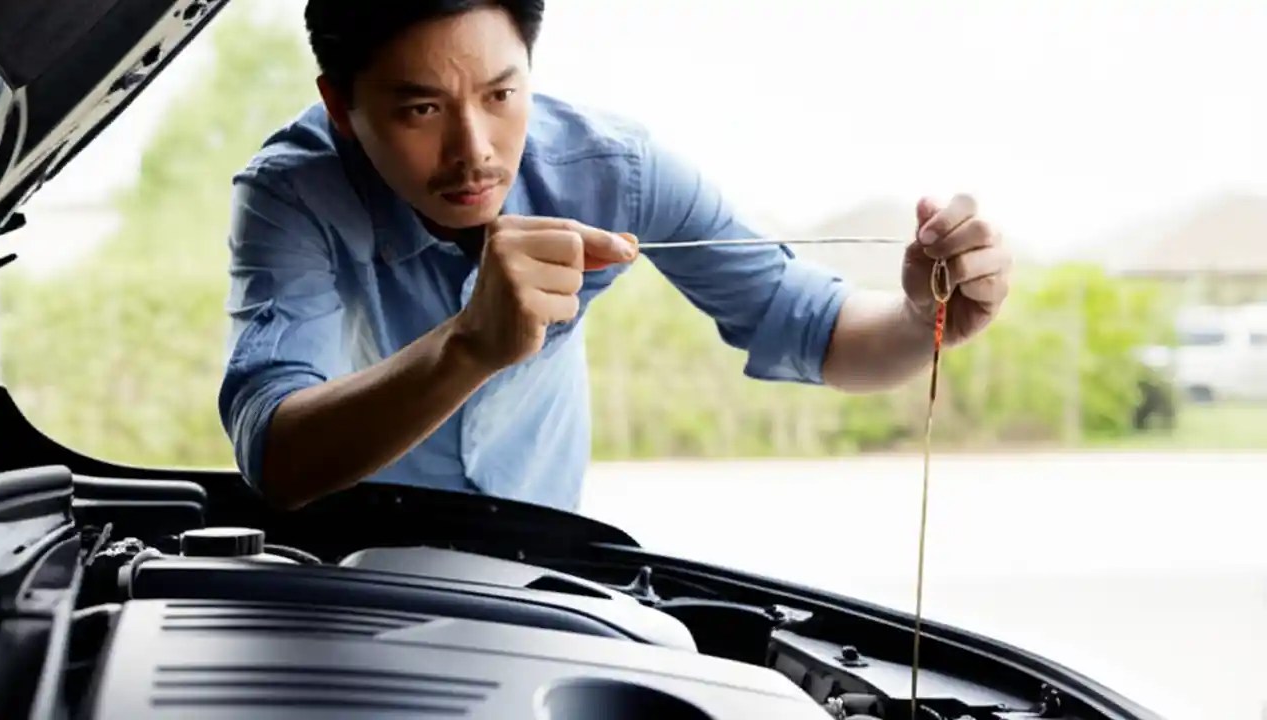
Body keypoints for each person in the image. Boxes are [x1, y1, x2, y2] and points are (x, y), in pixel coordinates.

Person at [218, 1, 1013, 512]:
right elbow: (272, 452)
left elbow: (811, 327)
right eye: (422, 108)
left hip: (547, 567)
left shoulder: (614, 170)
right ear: (342, 109)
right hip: (346, 576)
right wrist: (468, 346)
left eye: (502, 95)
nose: (475, 151)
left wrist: (924, 317)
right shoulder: (293, 196)